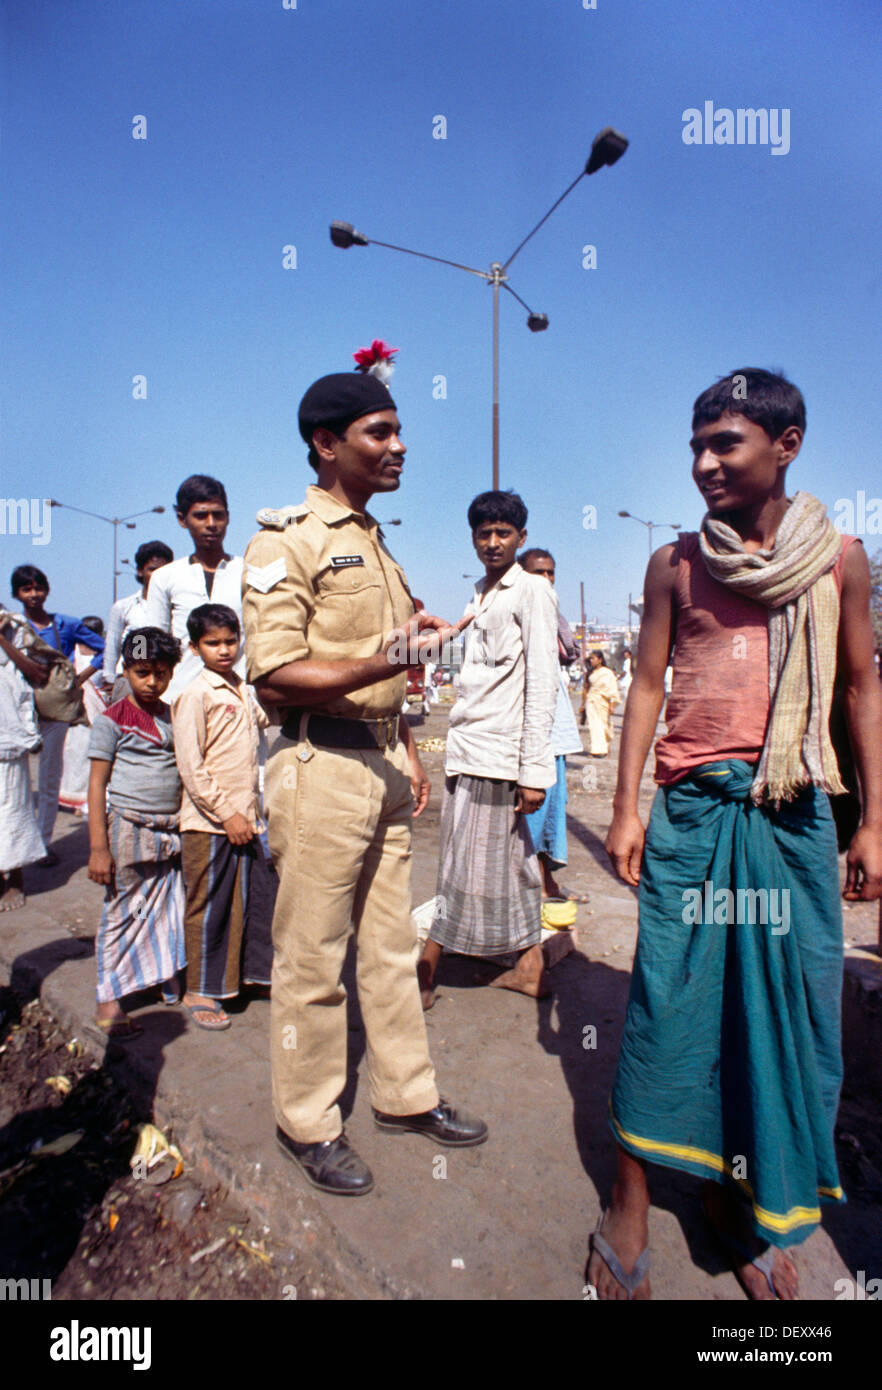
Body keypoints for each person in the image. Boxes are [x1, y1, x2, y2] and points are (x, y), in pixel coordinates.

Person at [588, 368, 882, 1302]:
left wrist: (876, 819)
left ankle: (742, 1203)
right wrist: (627, 806)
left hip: (793, 819)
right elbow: (645, 683)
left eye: (726, 444)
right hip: (693, 812)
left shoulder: (841, 560)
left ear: (786, 445)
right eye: (696, 447)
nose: (704, 463)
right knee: (669, 1006)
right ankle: (628, 1201)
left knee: (782, 1017)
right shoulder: (676, 561)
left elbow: (862, 689)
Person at [242, 367, 487, 1196]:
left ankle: (405, 1096)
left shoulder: (377, 540)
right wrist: (388, 655)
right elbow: (272, 675)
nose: (399, 446)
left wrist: (407, 738)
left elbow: (383, 669)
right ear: (326, 442)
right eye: (380, 432)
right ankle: (307, 1121)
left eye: (398, 430)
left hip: (379, 759)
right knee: (312, 958)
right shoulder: (286, 538)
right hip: (318, 767)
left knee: (386, 949)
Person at [418, 493, 559, 1008]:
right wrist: (434, 634)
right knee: (508, 861)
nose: (493, 542)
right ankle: (529, 966)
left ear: (521, 537)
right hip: (468, 747)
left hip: (497, 756)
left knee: (462, 862)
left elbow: (542, 682)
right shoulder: (482, 594)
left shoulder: (533, 593)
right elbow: (465, 652)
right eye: (484, 534)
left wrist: (534, 770)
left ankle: (428, 967)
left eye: (503, 533)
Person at [171, 603, 271, 1031]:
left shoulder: (243, 689)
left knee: (248, 903)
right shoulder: (195, 694)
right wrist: (226, 814)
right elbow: (192, 767)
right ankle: (199, 988)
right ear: (195, 648)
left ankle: (242, 980)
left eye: (231, 641)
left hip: (247, 820)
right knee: (208, 907)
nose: (224, 650)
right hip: (210, 823)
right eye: (213, 643)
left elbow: (268, 720)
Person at [86, 628, 187, 1039]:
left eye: (161, 674)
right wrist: (98, 848)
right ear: (125, 670)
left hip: (171, 830)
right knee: (123, 912)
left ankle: (157, 974)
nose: (152, 682)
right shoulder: (111, 721)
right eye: (142, 672)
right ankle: (108, 999)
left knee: (165, 910)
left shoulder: (173, 714)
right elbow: (97, 785)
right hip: (129, 828)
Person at [11, 565, 105, 861]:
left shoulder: (65, 624)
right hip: (16, 709)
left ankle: (41, 844)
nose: (34, 594)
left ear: (47, 590)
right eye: (27, 589)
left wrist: (80, 678)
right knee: (15, 779)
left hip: (53, 710)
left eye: (38, 588)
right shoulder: (11, 626)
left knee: (49, 777)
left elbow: (104, 650)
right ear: (16, 594)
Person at [518, 548, 586, 902]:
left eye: (551, 572)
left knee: (551, 814)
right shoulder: (521, 615)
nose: (546, 580)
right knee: (530, 816)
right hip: (534, 737)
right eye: (538, 573)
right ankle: (529, 890)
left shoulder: (554, 620)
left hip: (555, 734)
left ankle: (547, 883)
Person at [144, 477, 244, 701]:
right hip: (179, 699)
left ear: (227, 517)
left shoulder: (247, 572)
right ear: (182, 519)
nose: (211, 523)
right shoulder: (164, 578)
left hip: (239, 700)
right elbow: (151, 640)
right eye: (200, 515)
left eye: (218, 514)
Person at [0, 613, 46, 909]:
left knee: (12, 808)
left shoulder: (16, 630)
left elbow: (37, 674)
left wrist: (2, 638)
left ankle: (15, 878)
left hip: (9, 737)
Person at [103, 541, 174, 697]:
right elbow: (112, 645)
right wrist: (110, 679)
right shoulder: (124, 607)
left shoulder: (177, 607)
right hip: (131, 682)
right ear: (140, 571)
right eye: (153, 570)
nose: (159, 575)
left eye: (165, 570)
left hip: (167, 681)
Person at [59, 615, 110, 818]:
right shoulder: (72, 653)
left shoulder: (106, 651)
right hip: (78, 710)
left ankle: (94, 798)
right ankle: (75, 799)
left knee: (97, 755)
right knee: (76, 754)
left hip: (100, 709)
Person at [581, 650, 620, 756]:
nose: (591, 660)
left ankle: (605, 747)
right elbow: (586, 688)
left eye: (593, 658)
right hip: (592, 701)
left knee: (604, 725)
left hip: (603, 702)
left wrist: (612, 705)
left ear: (600, 659)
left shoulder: (607, 673)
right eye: (591, 658)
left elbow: (612, 689)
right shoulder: (590, 673)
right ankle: (597, 750)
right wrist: (582, 704)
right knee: (594, 725)